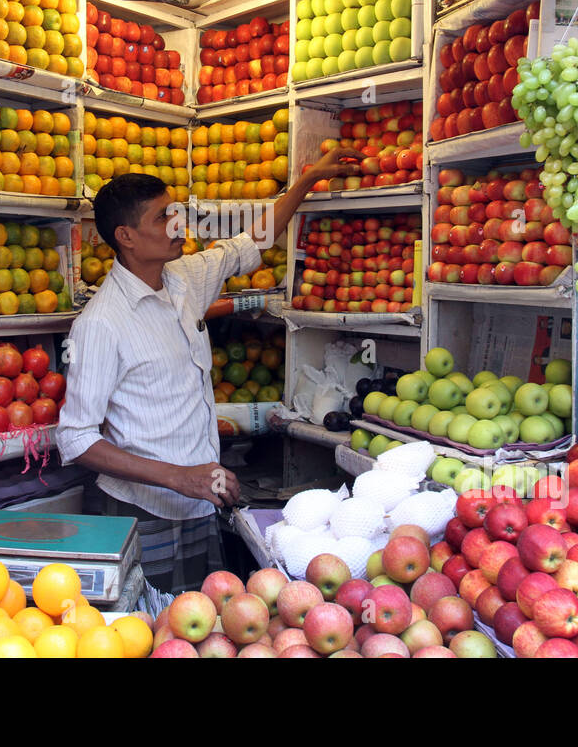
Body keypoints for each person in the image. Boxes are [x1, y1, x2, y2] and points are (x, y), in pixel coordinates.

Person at [56, 146, 360, 593]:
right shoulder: (101, 324)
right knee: (150, 630)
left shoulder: (184, 278)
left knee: (202, 623)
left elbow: (251, 243)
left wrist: (306, 180)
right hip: (143, 509)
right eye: (162, 217)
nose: (177, 224)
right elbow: (76, 437)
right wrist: (180, 477)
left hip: (199, 501)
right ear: (126, 236)